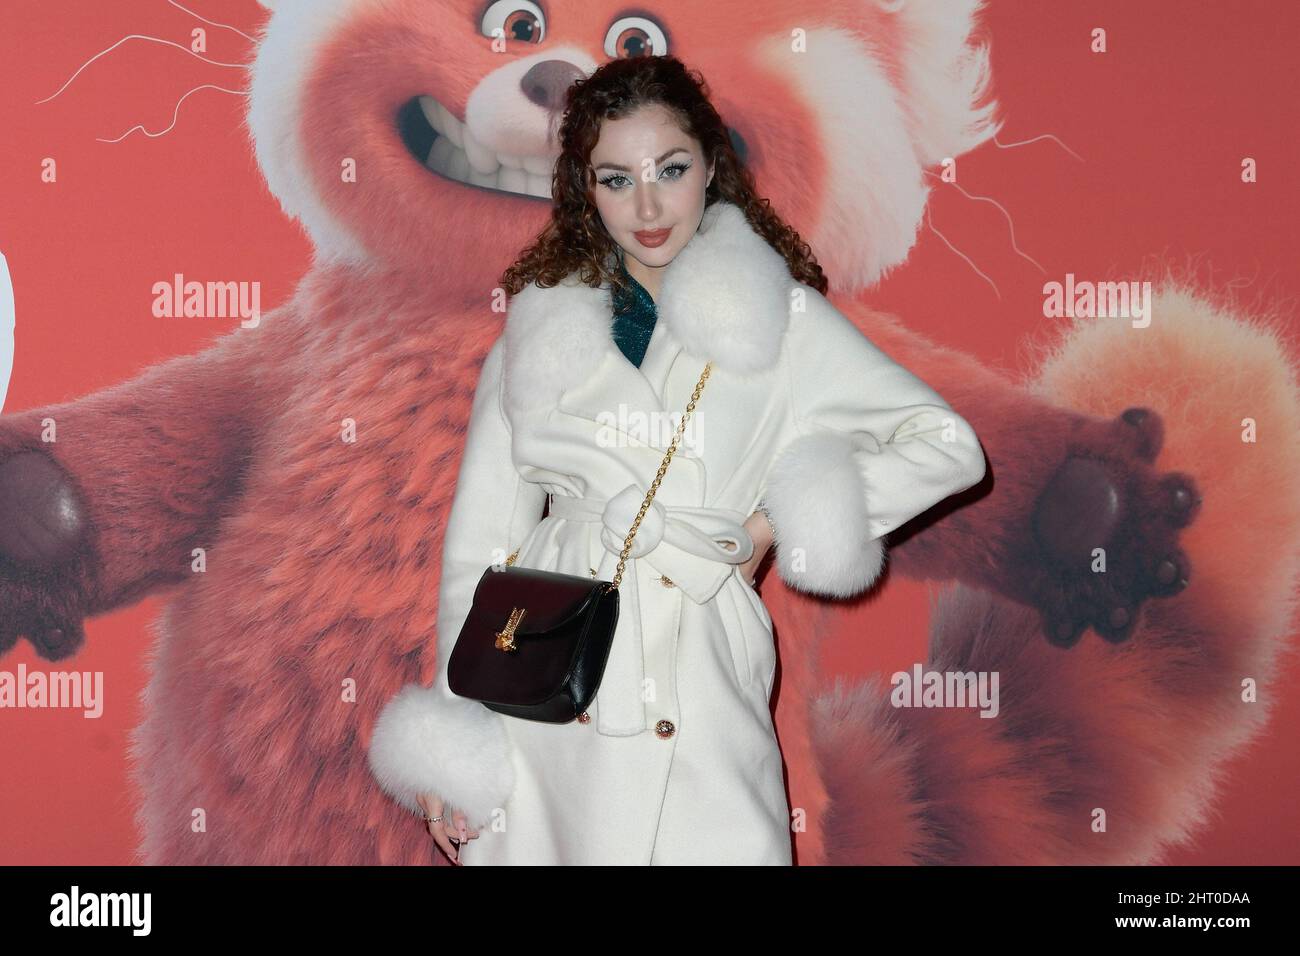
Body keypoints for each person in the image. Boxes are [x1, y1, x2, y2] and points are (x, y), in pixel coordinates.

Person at [366, 55, 987, 865]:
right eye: (616, 178)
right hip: (553, 689)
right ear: (584, 189)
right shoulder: (536, 334)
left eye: (671, 169)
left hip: (699, 663)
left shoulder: (779, 320)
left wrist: (777, 521)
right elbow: (479, 548)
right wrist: (459, 739)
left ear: (711, 166)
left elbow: (948, 448)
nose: (649, 205)